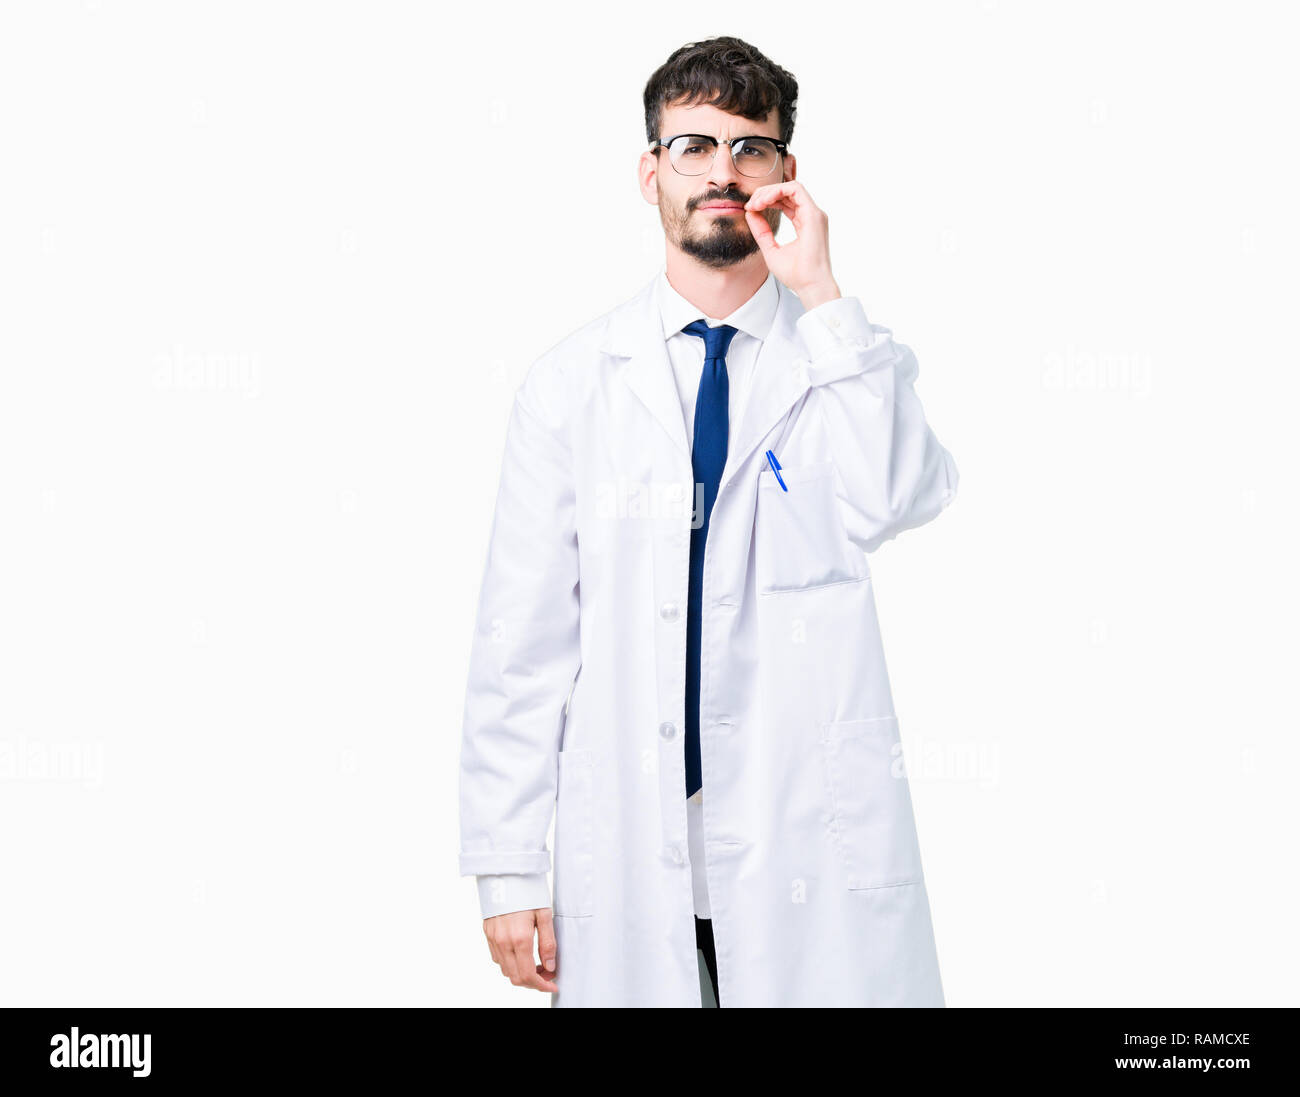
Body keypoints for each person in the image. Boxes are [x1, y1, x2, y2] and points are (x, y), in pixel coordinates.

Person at [459, 35, 959, 1008]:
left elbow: (902, 492)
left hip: (807, 843)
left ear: (786, 174)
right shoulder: (571, 386)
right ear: (650, 172)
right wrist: (510, 863)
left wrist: (820, 292)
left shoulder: (843, 359)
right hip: (632, 851)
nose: (721, 172)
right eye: (693, 146)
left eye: (750, 148)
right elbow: (521, 639)